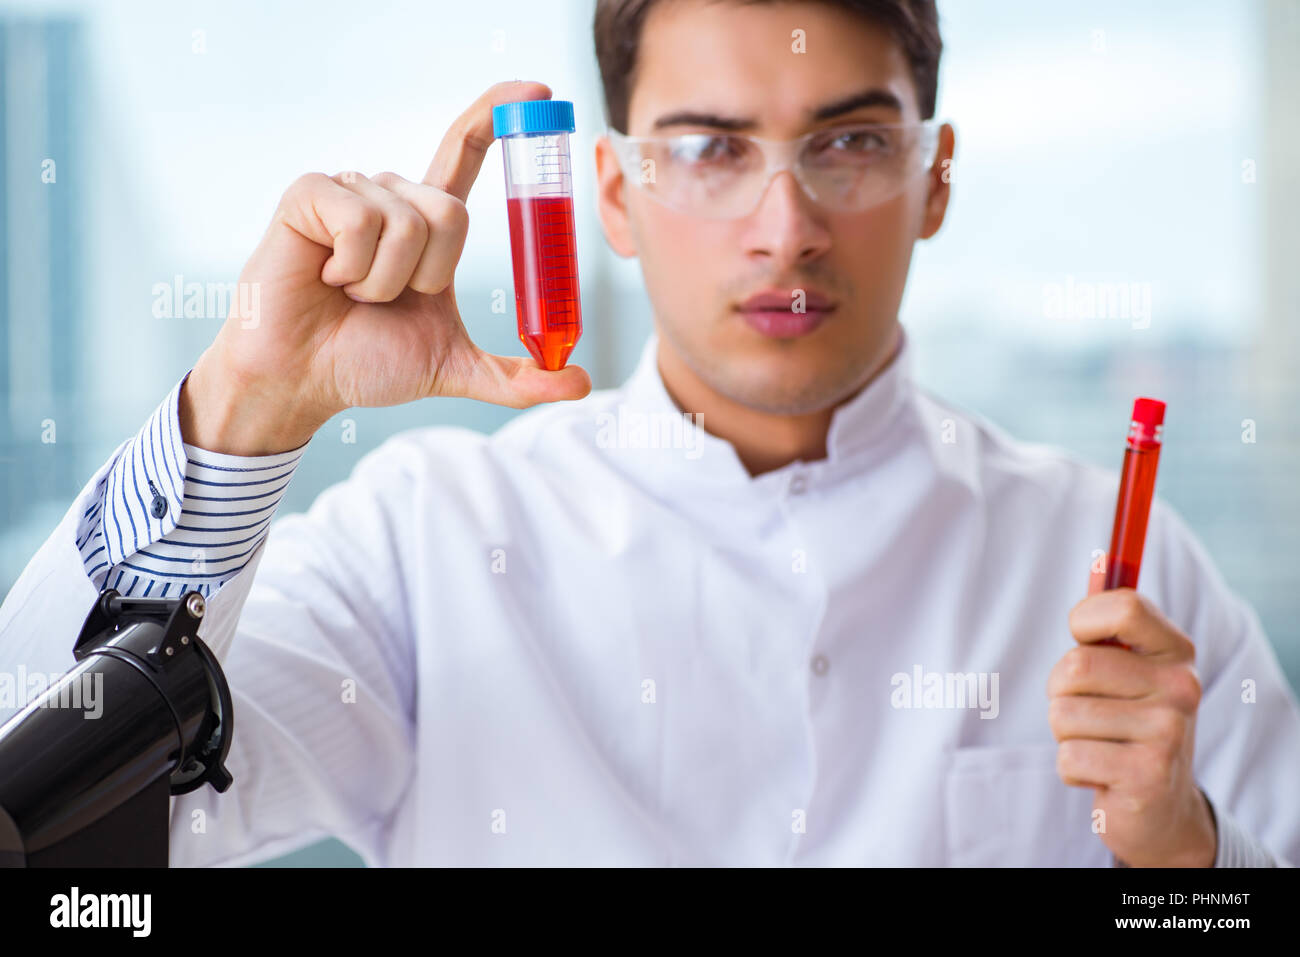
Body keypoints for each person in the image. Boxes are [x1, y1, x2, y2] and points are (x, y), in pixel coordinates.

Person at [1, 0, 1296, 867]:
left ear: (934, 177)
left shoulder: (1116, 571)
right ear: (611, 193)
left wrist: (1188, 857)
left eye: (848, 142)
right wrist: (246, 403)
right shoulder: (432, 543)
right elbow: (58, 811)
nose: (784, 226)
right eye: (711, 151)